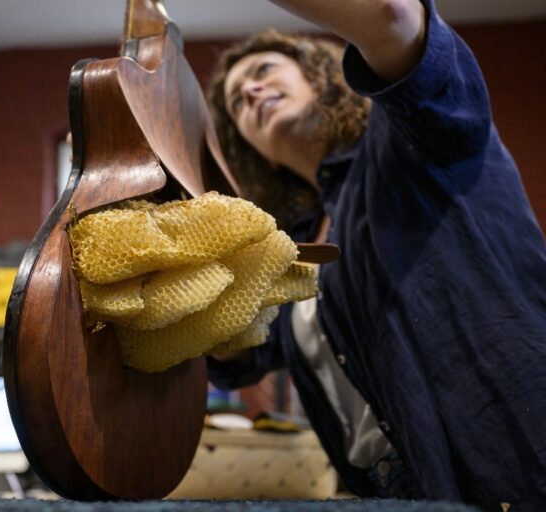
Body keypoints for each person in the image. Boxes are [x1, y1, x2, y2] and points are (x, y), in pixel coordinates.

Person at [205, 1, 546, 510]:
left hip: (513, 457)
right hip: (391, 492)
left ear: (321, 73)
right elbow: (240, 350)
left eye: (264, 71)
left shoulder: (412, 136)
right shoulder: (291, 251)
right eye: (236, 101)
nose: (250, 91)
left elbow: (392, 15)